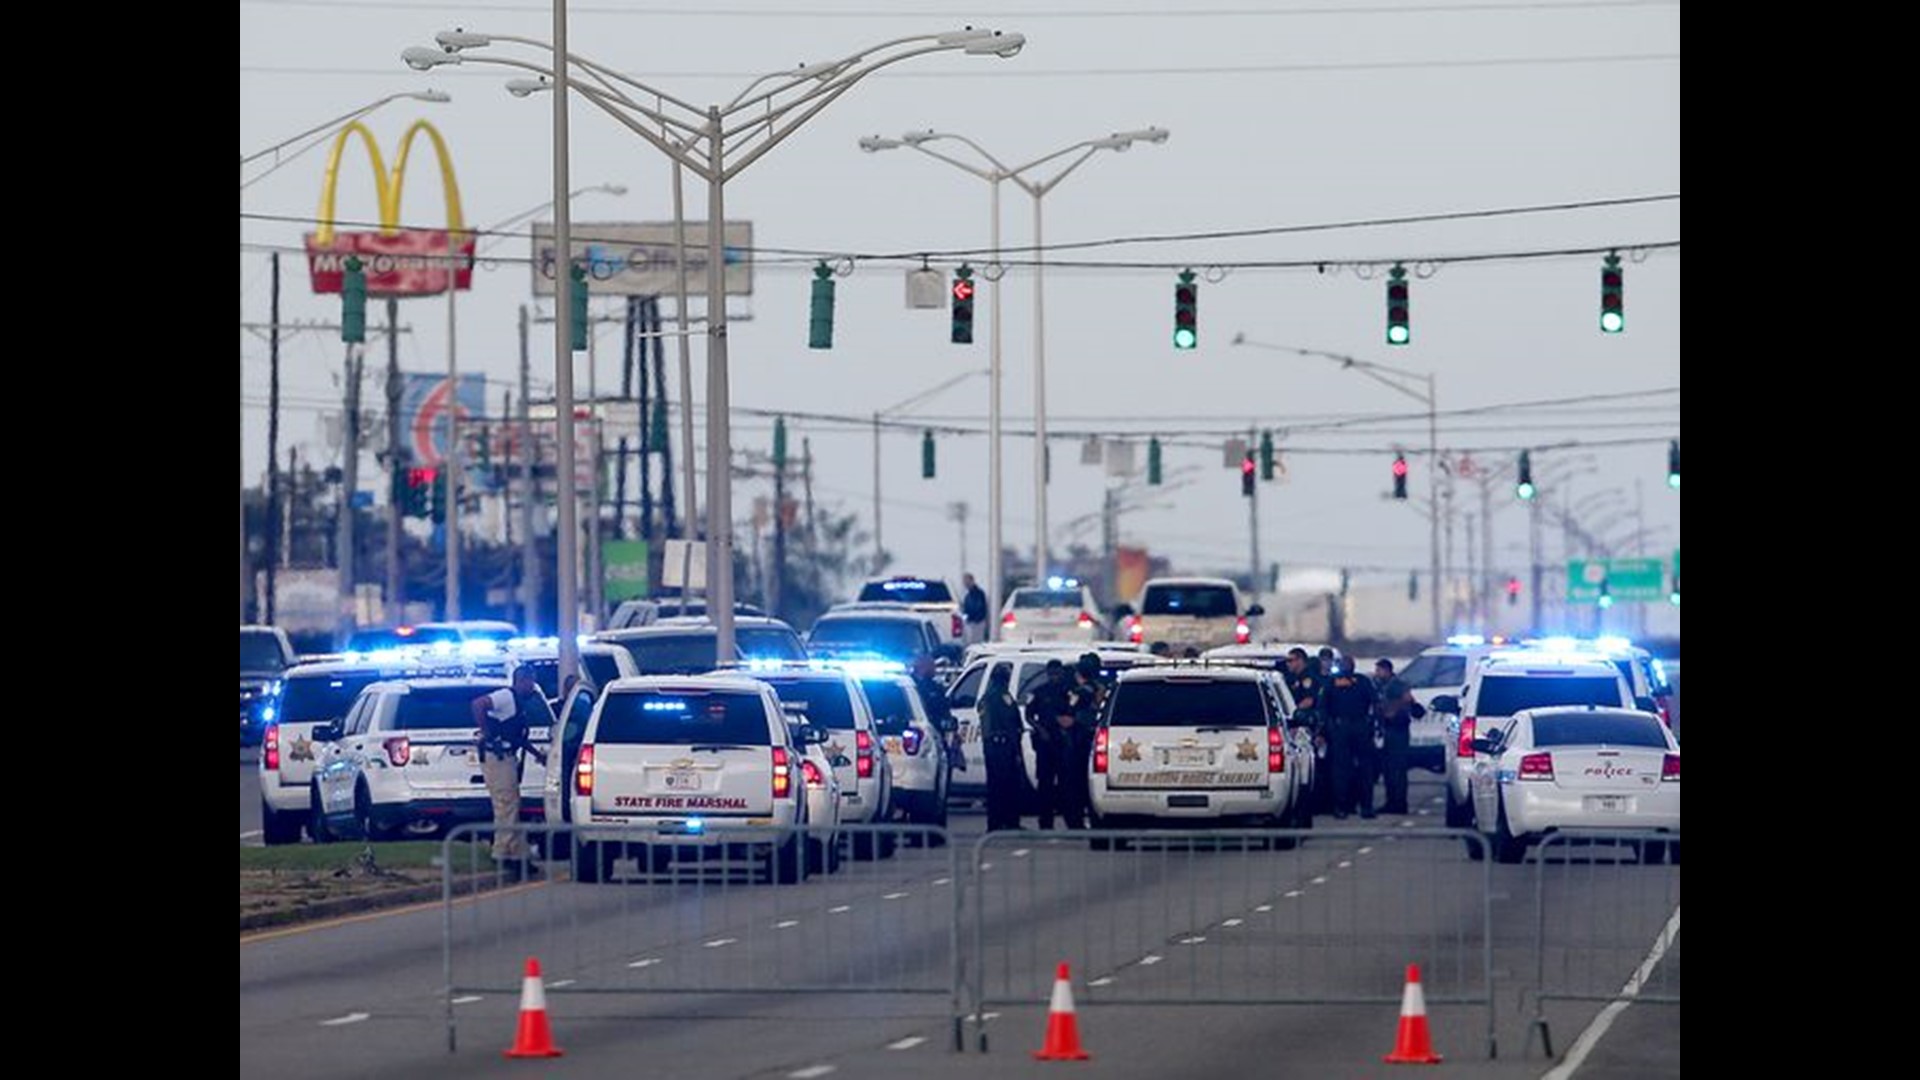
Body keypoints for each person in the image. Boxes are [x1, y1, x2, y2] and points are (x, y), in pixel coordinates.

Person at [470, 665, 553, 880]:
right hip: (497, 757)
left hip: (506, 757)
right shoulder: (506, 696)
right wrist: (486, 731)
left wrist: (537, 755)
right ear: (522, 680)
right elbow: (478, 704)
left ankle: (516, 854)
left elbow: (516, 736)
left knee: (511, 805)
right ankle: (503, 853)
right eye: (531, 681)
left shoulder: (516, 702)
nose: (533, 686)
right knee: (506, 803)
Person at [1324, 663, 1380, 819]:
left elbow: (1323, 706)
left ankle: (1345, 807)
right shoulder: (1362, 681)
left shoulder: (1334, 681)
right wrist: (1373, 723)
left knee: (1345, 769)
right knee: (1361, 769)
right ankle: (1362, 807)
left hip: (1346, 727)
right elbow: (1375, 703)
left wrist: (1328, 727)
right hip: (1356, 726)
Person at [1025, 660, 1075, 829]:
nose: (1055, 677)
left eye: (1058, 674)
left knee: (1066, 784)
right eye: (1052, 674)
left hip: (1063, 743)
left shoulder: (1069, 692)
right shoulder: (1039, 692)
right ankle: (1045, 822)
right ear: (1047, 673)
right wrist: (1040, 730)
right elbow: (1029, 715)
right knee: (1045, 784)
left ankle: (1071, 820)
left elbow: (1074, 713)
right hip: (1045, 745)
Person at [1372, 659, 1423, 815]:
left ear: (1387, 670)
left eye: (1379, 670)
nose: (1377, 673)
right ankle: (1391, 802)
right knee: (1388, 770)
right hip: (1387, 730)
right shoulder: (1382, 685)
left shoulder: (1397, 685)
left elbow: (1408, 701)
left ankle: (1399, 803)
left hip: (1398, 730)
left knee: (1397, 769)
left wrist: (1391, 710)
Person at [978, 666, 1024, 831]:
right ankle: (999, 822)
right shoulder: (992, 698)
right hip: (1000, 746)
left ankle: (1006, 821)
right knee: (1001, 785)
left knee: (1005, 785)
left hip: (1002, 746)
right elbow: (994, 726)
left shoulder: (999, 697)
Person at [961, 573, 990, 646]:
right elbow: (965, 610)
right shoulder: (967, 596)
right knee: (971, 642)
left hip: (978, 622)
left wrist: (974, 618)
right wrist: (965, 619)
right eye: (965, 582)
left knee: (977, 643)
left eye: (967, 582)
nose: (966, 584)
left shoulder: (979, 594)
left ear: (972, 581)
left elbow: (980, 608)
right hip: (971, 623)